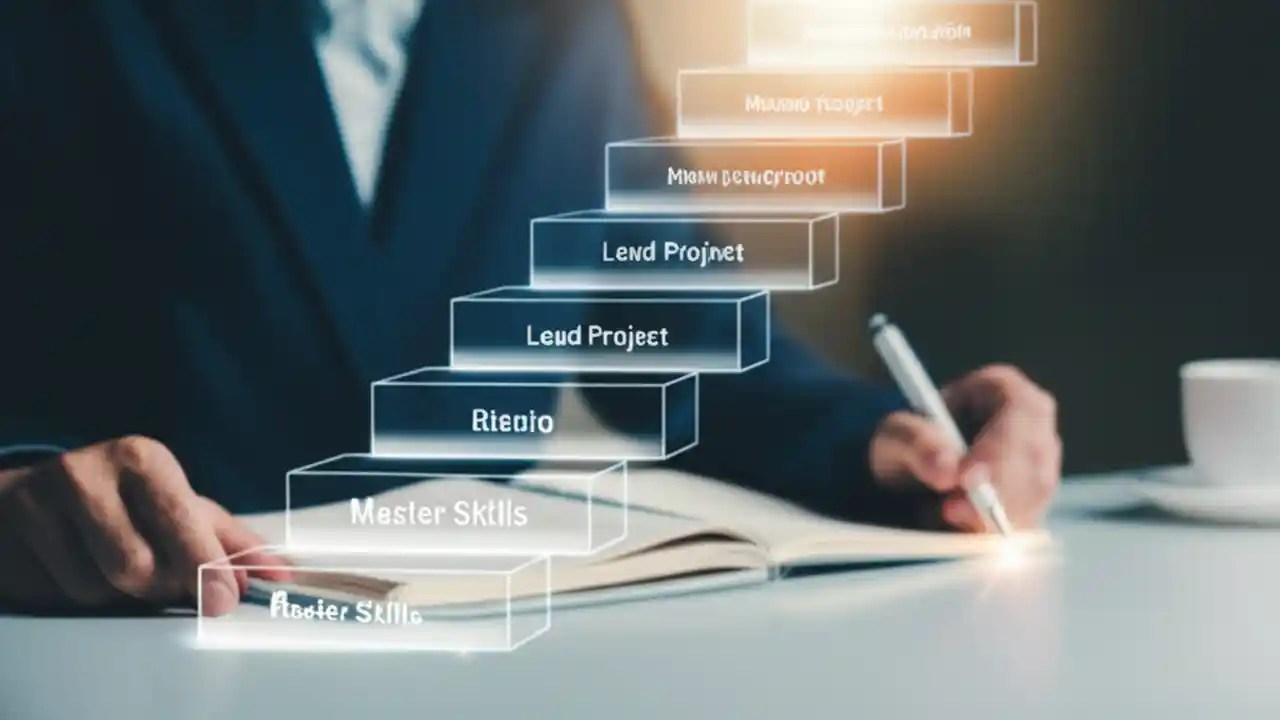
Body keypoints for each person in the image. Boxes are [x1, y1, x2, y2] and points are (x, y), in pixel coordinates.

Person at [0, 0, 1060, 616]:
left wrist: (890, 445)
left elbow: (673, 335)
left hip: (502, 653)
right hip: (138, 647)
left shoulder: (557, 21)